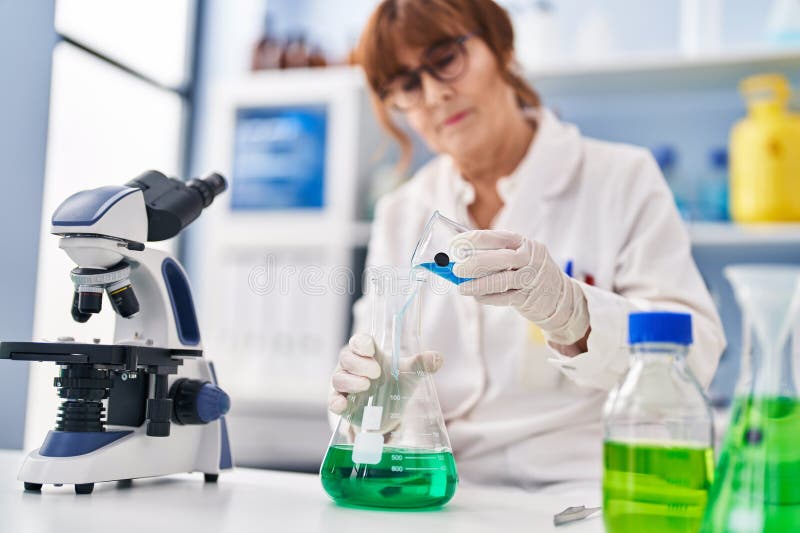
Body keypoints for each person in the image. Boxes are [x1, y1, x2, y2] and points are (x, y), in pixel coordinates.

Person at [328, 0, 726, 488]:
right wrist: (367, 405)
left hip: (589, 488)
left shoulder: (621, 177)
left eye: (445, 59)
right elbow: (371, 373)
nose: (434, 94)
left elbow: (699, 355)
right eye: (408, 84)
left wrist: (575, 315)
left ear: (501, 47)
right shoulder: (402, 212)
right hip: (446, 492)